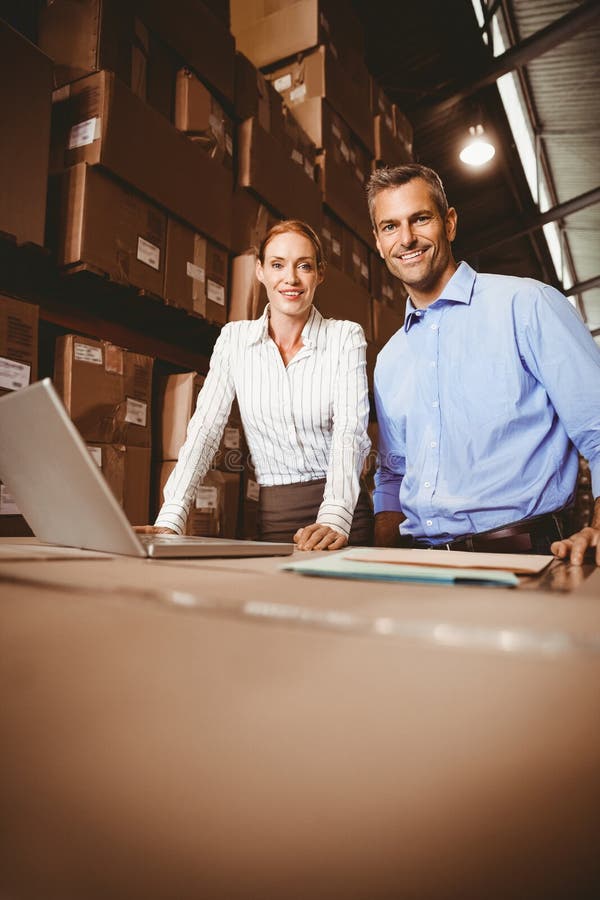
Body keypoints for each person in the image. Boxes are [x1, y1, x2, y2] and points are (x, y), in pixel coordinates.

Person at [366, 163, 600, 564]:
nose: (406, 239)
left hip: (523, 556)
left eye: (420, 219)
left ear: (449, 223)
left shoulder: (527, 306)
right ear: (378, 241)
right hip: (422, 567)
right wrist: (382, 560)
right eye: (390, 226)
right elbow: (392, 473)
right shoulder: (389, 359)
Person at [140, 219, 372, 551]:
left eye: (304, 266)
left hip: (343, 518)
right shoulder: (234, 340)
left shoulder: (345, 337)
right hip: (276, 517)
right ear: (260, 270)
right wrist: (171, 517)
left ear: (320, 273)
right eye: (277, 265)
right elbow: (205, 429)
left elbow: (351, 429)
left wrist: (335, 516)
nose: (290, 278)